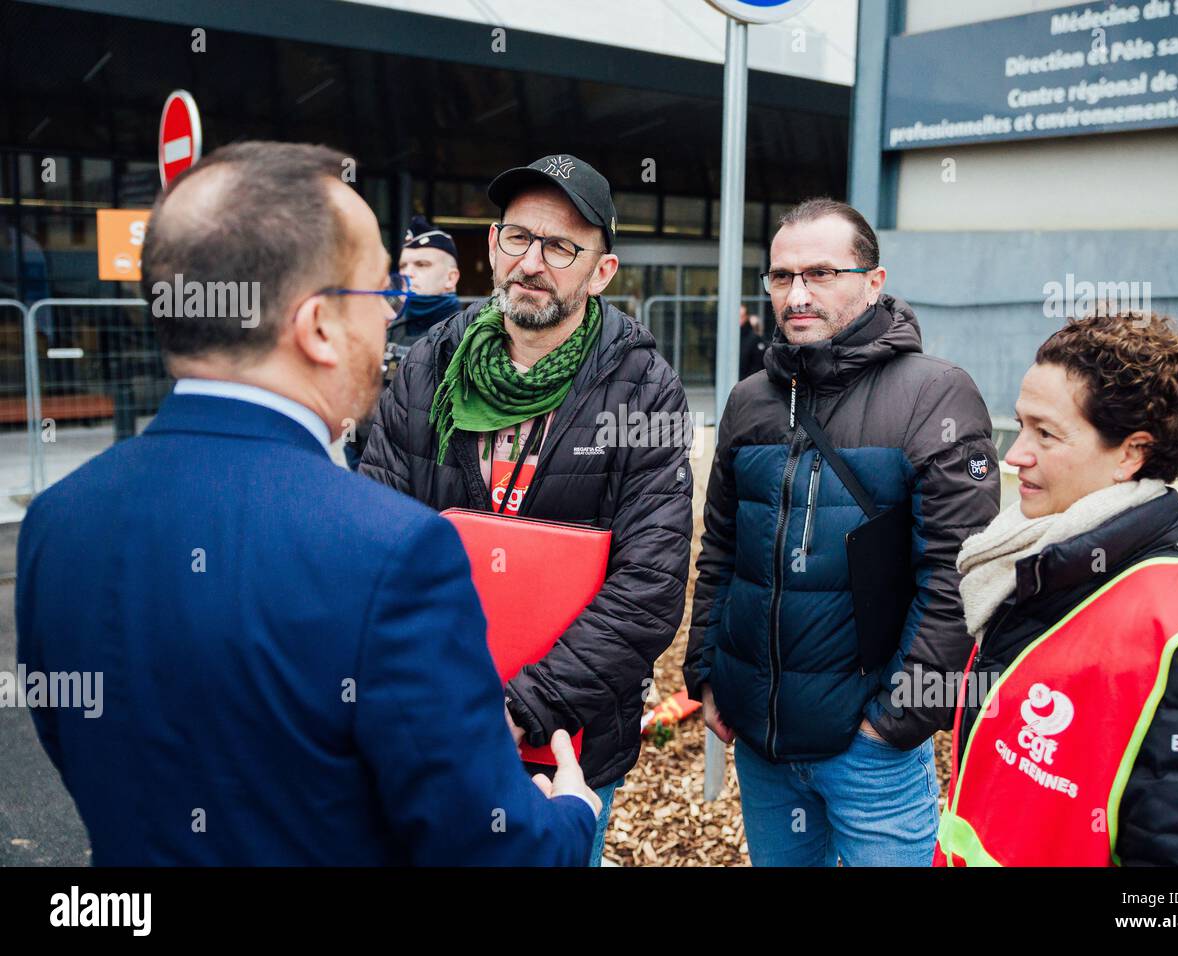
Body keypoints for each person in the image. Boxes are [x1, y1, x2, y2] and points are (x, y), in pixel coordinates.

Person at [15, 141, 600, 866]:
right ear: (318, 326)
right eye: (378, 290)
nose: (391, 315)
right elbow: (491, 849)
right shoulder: (394, 555)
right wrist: (572, 816)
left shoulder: (57, 521)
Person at [359, 153, 693, 866]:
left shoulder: (644, 391)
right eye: (518, 237)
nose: (532, 262)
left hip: (567, 740)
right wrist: (443, 702)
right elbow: (373, 546)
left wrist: (519, 711)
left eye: (562, 246)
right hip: (433, 723)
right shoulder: (428, 366)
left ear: (602, 271)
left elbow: (650, 587)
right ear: (491, 244)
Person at [683, 197, 1000, 866]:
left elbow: (958, 577)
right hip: (764, 742)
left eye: (821, 273)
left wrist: (892, 722)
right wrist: (708, 672)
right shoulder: (750, 401)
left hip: (868, 754)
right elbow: (721, 553)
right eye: (781, 277)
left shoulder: (935, 395)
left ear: (874, 281)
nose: (797, 294)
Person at [937, 311, 1178, 867]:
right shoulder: (1041, 561)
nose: (1015, 455)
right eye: (1020, 426)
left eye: (1045, 433)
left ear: (1132, 454)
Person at [345, 216, 462, 468]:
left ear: (450, 279)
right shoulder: (386, 327)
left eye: (422, 264)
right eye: (403, 265)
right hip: (368, 468)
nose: (408, 273)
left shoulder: (464, 336)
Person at [738, 303, 766, 380]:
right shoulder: (725, 337)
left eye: (740, 316)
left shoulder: (755, 340)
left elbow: (758, 365)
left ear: (746, 318)